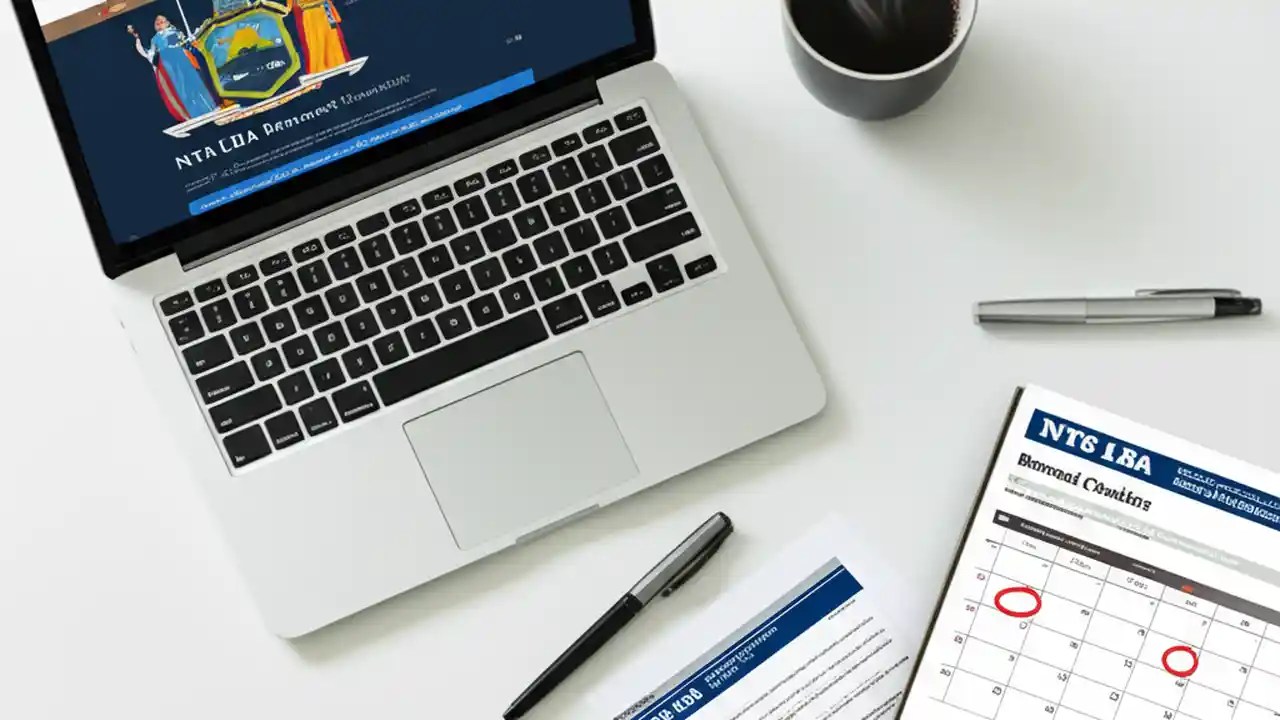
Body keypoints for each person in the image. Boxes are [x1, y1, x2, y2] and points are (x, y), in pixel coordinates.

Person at [128, 16, 218, 123]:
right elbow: (151, 54)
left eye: (162, 21)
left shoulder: (175, 32)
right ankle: (194, 113)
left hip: (182, 60)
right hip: (169, 65)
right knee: (182, 89)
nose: (160, 23)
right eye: (157, 22)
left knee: (195, 83)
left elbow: (184, 43)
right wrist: (139, 42)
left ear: (168, 23)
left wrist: (191, 45)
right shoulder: (155, 39)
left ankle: (210, 107)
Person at [288, 0, 351, 75]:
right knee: (314, 41)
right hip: (308, 12)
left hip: (325, 8)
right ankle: (317, 70)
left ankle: (338, 62)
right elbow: (289, 6)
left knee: (333, 36)